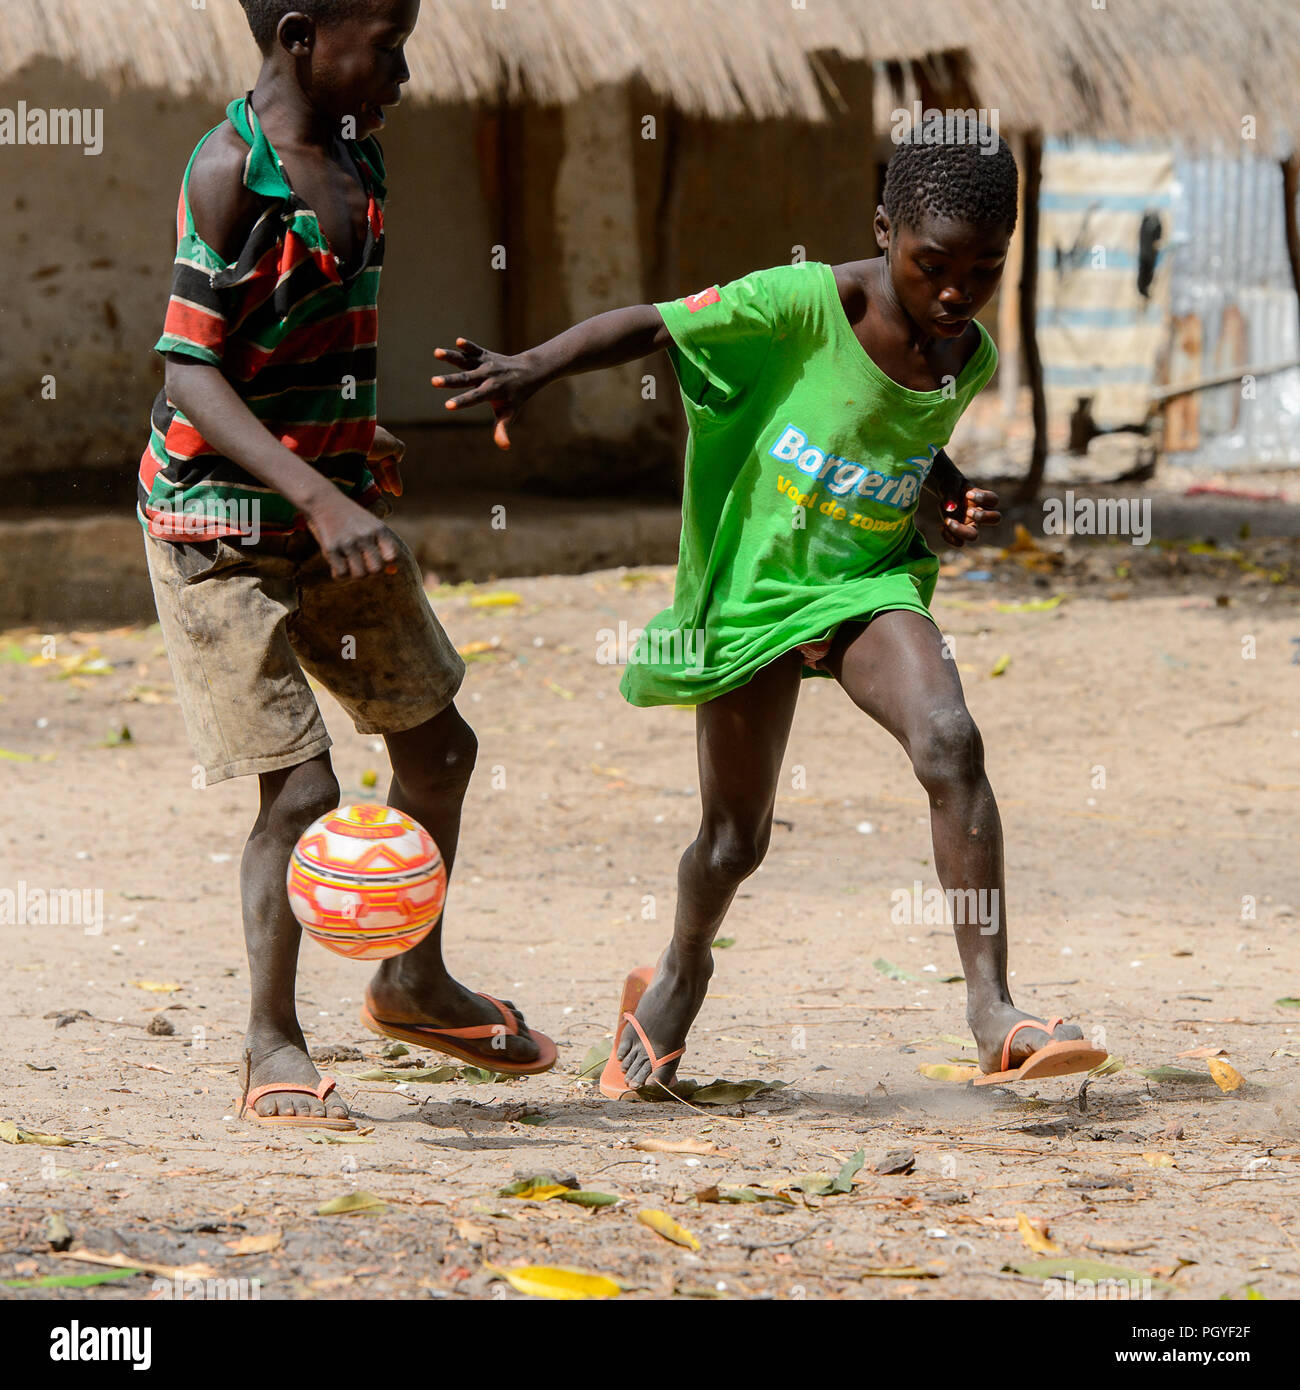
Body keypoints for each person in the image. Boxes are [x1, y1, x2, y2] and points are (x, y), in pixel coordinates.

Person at [430, 127, 1105, 1097]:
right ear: (884, 230)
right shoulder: (809, 302)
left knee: (950, 740)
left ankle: (992, 1009)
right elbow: (657, 324)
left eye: (982, 270)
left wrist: (943, 493)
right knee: (731, 841)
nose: (955, 292)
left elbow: (898, 444)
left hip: (865, 585)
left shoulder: (968, 353)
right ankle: (680, 969)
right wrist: (532, 368)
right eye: (932, 266)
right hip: (756, 593)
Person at [139, 0, 554, 1129]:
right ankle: (270, 1043)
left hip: (327, 504)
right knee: (305, 785)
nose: (408, 72)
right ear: (301, 37)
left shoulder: (361, 156)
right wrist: (316, 491)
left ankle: (410, 980)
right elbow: (190, 371)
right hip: (219, 530)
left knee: (440, 749)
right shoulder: (230, 171)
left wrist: (349, 437)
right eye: (390, 45)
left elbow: (300, 332)